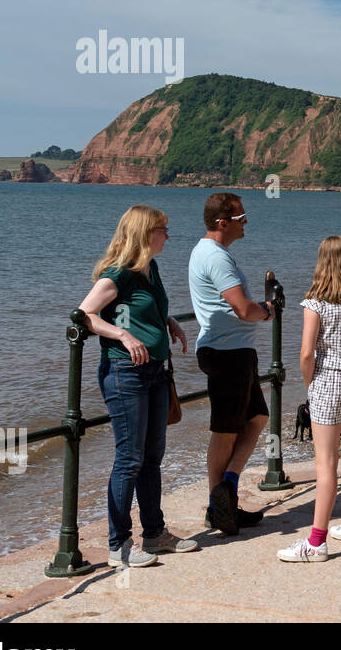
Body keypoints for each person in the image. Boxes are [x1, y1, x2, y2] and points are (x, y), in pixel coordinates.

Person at [78, 205, 196, 567]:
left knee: (152, 457)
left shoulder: (151, 268)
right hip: (124, 373)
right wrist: (122, 334)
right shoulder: (118, 275)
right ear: (146, 234)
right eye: (163, 230)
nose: (168, 236)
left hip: (157, 372)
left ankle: (155, 534)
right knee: (129, 460)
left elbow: (147, 307)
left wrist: (168, 321)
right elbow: (84, 315)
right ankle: (120, 547)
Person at [278, 236, 341, 563]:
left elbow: (306, 354)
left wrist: (311, 386)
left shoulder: (316, 303)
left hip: (329, 380)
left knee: (326, 464)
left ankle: (317, 542)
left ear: (322, 262)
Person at [189, 192, 274, 537]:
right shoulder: (215, 257)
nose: (246, 223)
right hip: (227, 353)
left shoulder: (214, 253)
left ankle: (227, 489)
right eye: (241, 218)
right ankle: (218, 506)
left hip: (235, 351)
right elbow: (242, 308)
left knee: (257, 418)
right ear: (222, 222)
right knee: (225, 430)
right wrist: (267, 310)